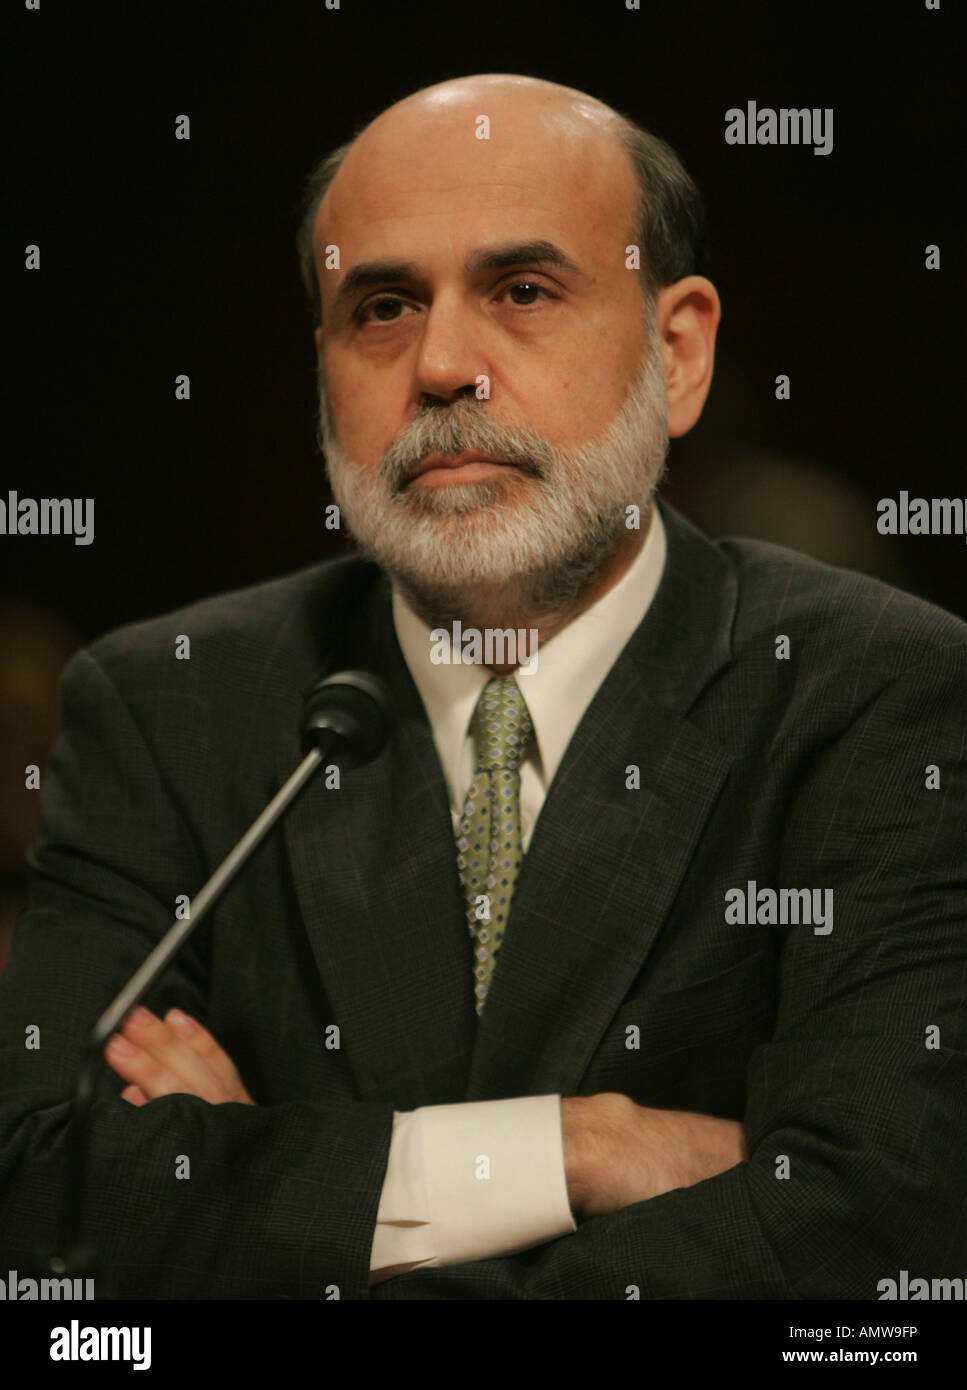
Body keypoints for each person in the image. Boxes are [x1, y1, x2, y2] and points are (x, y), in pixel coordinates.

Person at [0, 73, 965, 1301]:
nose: (444, 364)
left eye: (520, 290)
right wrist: (584, 1146)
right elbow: (48, 1192)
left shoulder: (877, 693)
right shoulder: (167, 705)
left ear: (677, 354)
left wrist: (269, 1194)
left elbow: (879, 1239)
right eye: (384, 306)